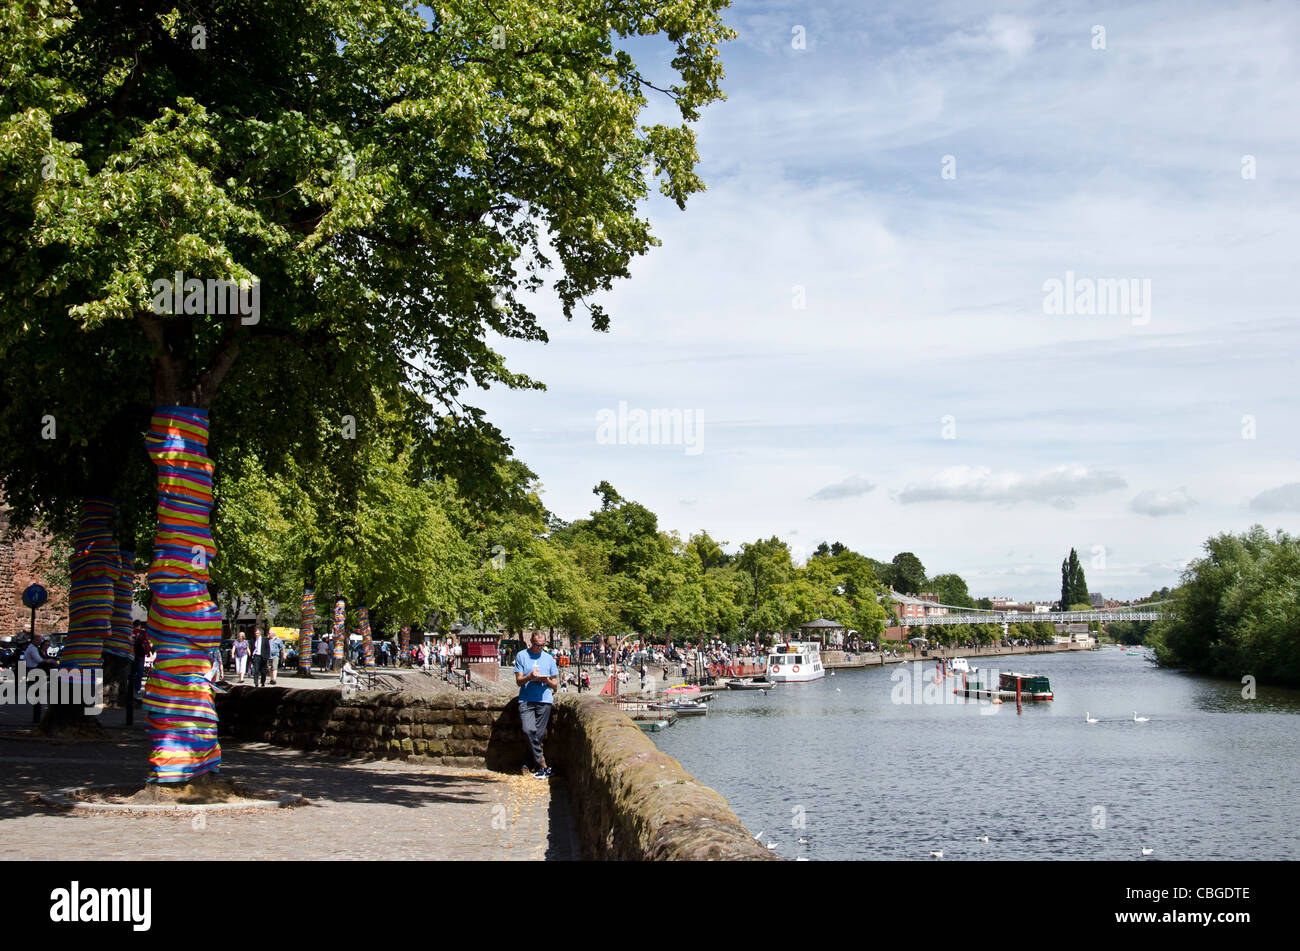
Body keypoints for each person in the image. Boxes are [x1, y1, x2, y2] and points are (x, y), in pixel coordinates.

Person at [514, 631, 559, 779]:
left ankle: (527, 764)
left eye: (542, 645)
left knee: (537, 735)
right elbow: (519, 681)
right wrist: (529, 677)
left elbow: (555, 684)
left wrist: (546, 681)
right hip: (526, 699)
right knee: (528, 730)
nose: (539, 648)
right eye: (536, 644)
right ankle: (542, 763)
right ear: (531, 642)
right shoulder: (522, 656)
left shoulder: (549, 659)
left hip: (544, 700)